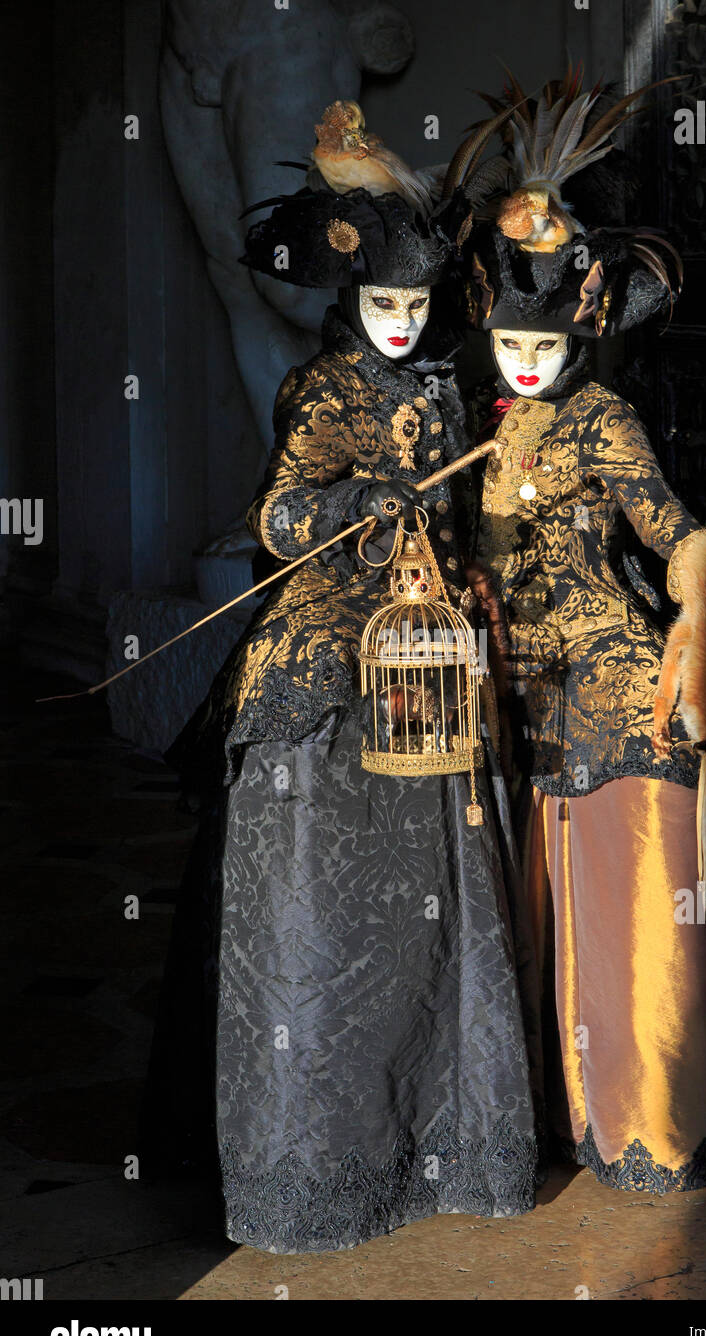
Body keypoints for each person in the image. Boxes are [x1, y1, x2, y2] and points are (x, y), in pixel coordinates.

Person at [144, 126, 542, 1254]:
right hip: (329, 654)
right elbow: (273, 518)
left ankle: (453, 1145)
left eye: (417, 314)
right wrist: (346, 506)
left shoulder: (452, 397)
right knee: (316, 906)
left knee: (444, 908)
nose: (404, 328)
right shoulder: (317, 392)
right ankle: (306, 1166)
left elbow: (467, 530)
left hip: (432, 660)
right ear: (352, 300)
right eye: (386, 310)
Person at [460, 72, 706, 1192]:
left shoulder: (603, 417)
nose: (524, 364)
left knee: (644, 830)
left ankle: (674, 1112)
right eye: (506, 345)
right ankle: (567, 1104)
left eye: (541, 345)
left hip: (597, 669)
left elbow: (659, 524)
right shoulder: (481, 425)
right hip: (510, 676)